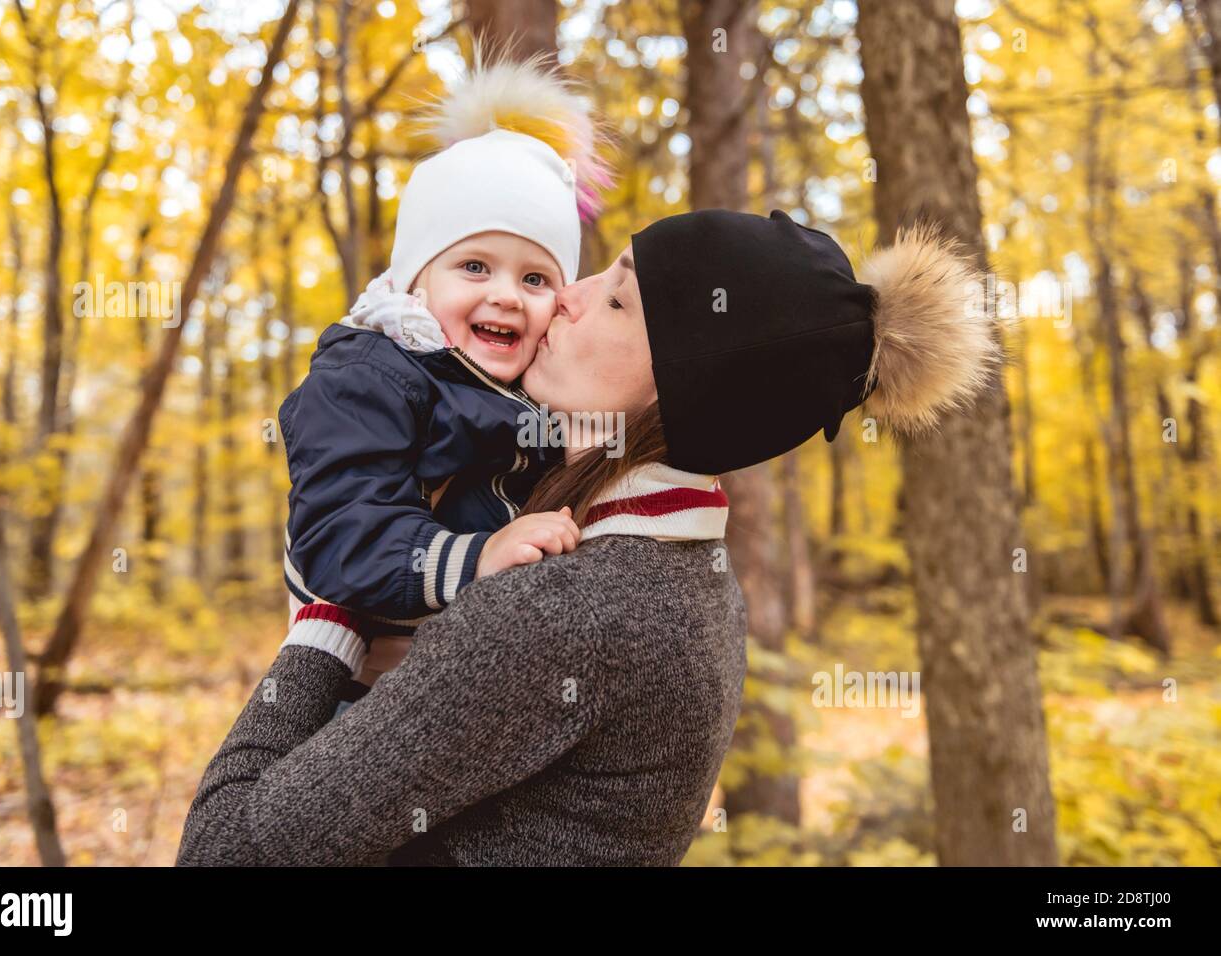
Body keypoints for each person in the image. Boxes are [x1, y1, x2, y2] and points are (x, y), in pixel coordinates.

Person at [177, 206, 998, 866]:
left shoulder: (563, 613)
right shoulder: (683, 570)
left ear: (676, 391)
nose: (566, 291)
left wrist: (329, 618)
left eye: (615, 297)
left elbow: (222, 851)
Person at [278, 50, 612, 710]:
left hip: (463, 679)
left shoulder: (529, 390)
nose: (508, 296)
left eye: (536, 278)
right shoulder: (369, 378)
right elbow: (342, 536)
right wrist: (478, 556)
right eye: (475, 266)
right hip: (359, 689)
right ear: (415, 282)